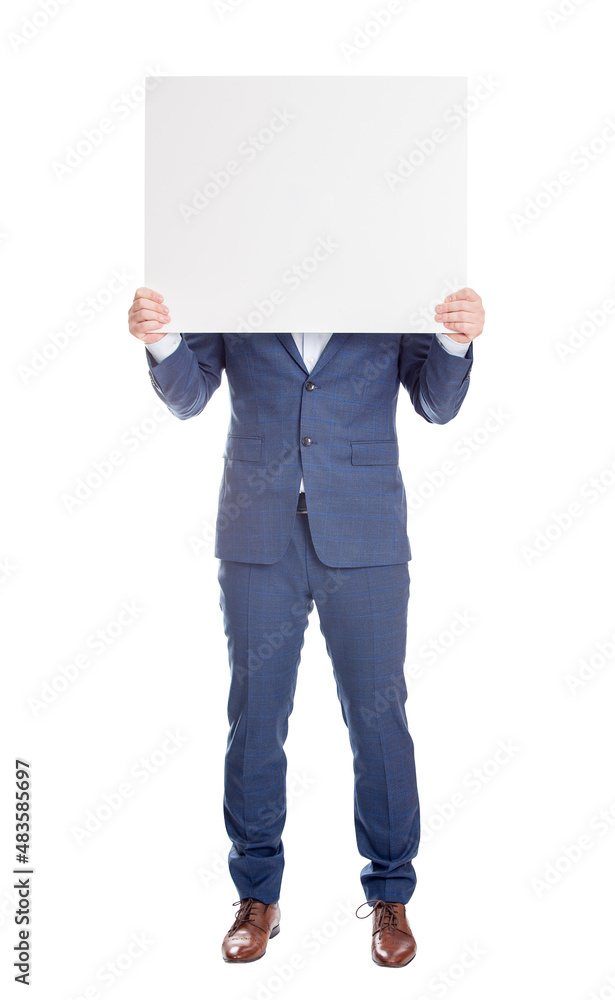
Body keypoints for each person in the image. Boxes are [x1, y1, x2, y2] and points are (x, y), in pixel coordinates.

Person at [127, 295, 485, 968]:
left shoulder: (395, 273)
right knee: (255, 717)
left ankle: (390, 894)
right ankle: (255, 895)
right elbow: (188, 397)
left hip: (366, 531)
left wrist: (457, 342)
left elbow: (436, 404)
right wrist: (162, 340)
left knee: (378, 717)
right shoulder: (234, 267)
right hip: (257, 530)